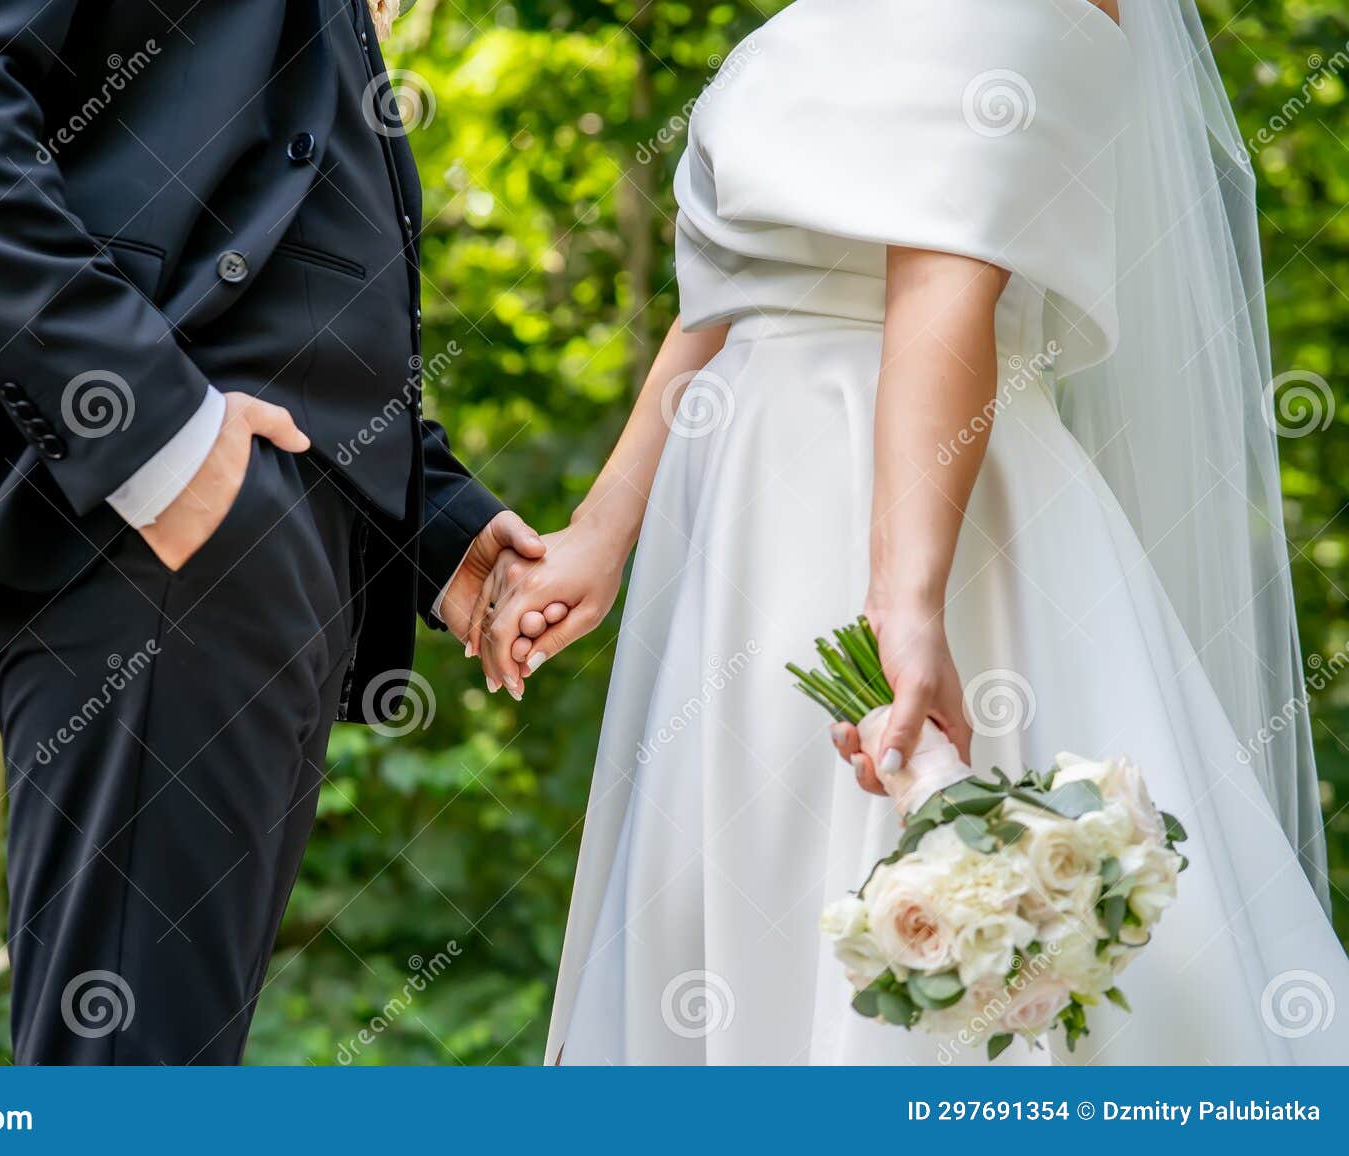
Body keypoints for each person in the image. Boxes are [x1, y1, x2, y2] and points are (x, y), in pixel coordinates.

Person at [476, 0, 1349, 1063]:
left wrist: (904, 600)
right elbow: (726, 297)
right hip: (743, 518)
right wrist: (603, 527)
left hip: (899, 509)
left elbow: (944, 284)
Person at [0, 0, 541, 1064]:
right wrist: (158, 434)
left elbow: (258, 244)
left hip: (249, 542)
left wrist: (434, 526)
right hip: (153, 538)